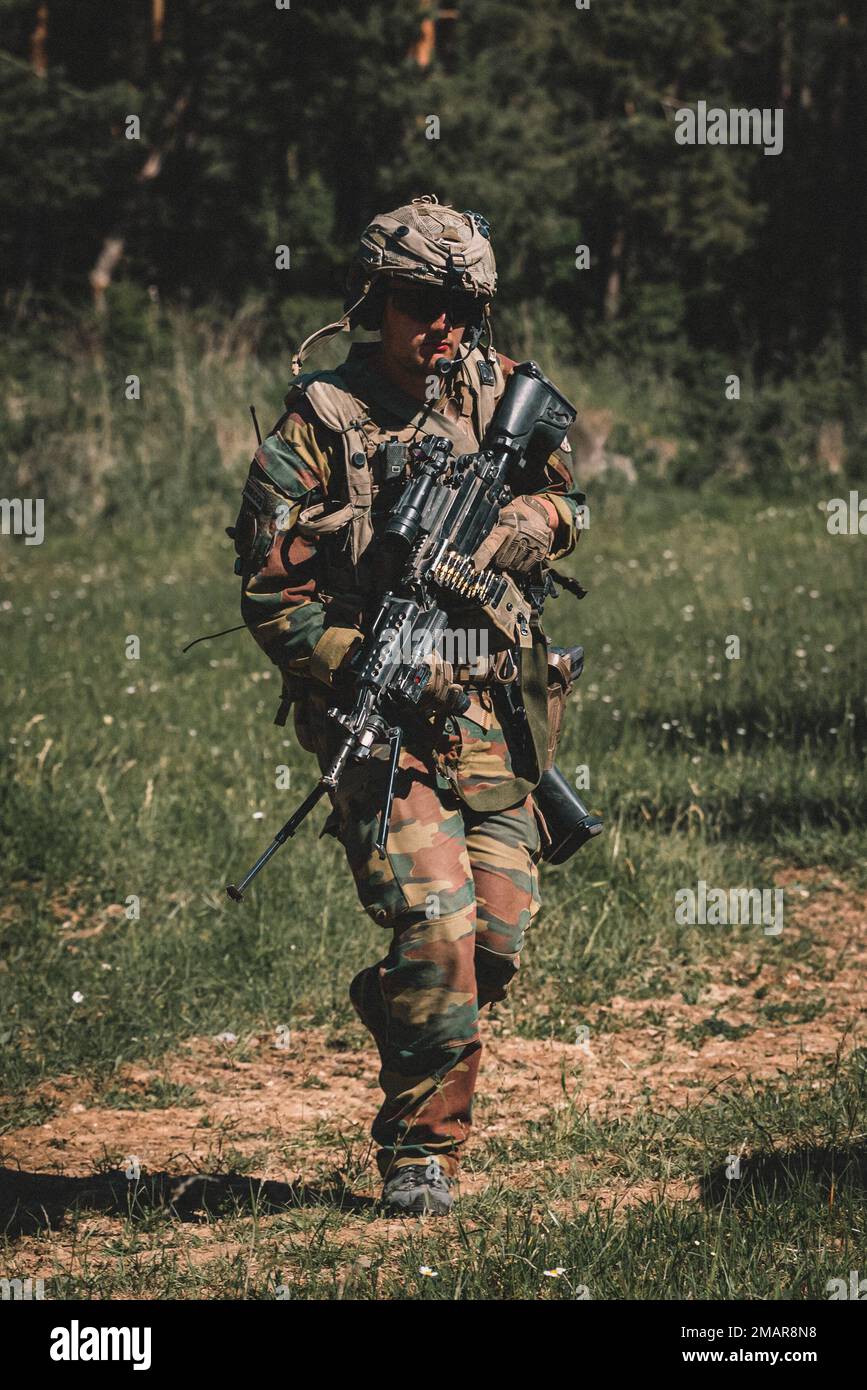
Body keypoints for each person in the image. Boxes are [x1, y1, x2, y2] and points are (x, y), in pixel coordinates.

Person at [231, 195, 584, 1215]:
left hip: (486, 715)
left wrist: (526, 526)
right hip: (375, 719)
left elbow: (567, 502)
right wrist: (358, 665)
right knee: (437, 920)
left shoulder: (495, 391)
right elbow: (269, 593)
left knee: (496, 941)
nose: (445, 329)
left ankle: (405, 1005)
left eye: (464, 310)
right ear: (377, 299)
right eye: (424, 304)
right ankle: (420, 1153)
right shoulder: (317, 427)